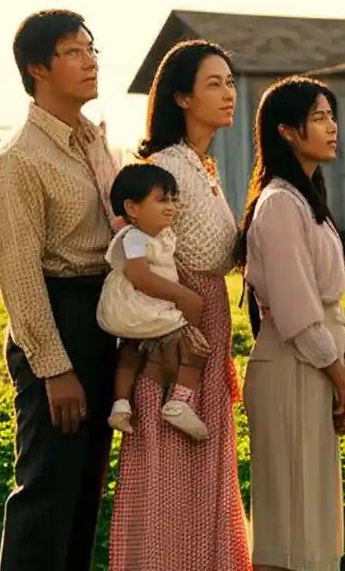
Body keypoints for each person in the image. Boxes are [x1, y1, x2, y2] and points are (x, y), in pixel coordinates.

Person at [0, 9, 120, 571]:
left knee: (86, 492)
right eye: (73, 52)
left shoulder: (95, 143)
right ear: (38, 68)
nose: (89, 61)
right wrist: (55, 368)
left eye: (92, 49)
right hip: (57, 325)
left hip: (101, 321)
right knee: (46, 491)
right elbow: (18, 274)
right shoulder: (19, 159)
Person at [108, 39, 252, 571]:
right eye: (213, 84)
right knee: (170, 460)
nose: (228, 94)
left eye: (230, 83)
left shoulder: (201, 166)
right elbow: (141, 255)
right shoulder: (166, 168)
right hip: (175, 322)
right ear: (182, 98)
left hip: (208, 314)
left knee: (201, 458)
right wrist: (181, 308)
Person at [237, 75, 345, 571]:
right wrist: (340, 379)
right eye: (318, 117)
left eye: (332, 116)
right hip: (294, 366)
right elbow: (297, 309)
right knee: (290, 526)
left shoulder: (305, 198)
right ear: (287, 131)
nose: (331, 127)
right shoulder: (281, 203)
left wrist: (339, 373)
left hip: (310, 365)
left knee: (310, 521)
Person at [98, 162, 211, 440]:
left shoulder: (152, 235)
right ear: (132, 208)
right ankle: (178, 402)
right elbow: (139, 275)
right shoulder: (135, 237)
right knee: (194, 349)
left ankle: (121, 404)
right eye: (161, 200)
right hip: (140, 304)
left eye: (173, 199)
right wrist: (182, 297)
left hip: (131, 309)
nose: (170, 206)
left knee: (130, 351)